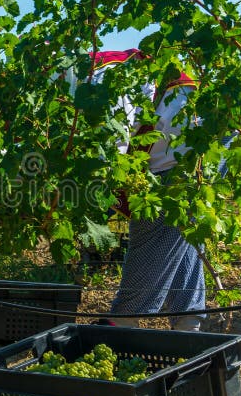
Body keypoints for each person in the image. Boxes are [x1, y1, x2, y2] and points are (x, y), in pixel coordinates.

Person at [72, 50, 209, 331]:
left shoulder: (100, 78)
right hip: (187, 150)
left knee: (150, 237)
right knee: (181, 237)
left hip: (182, 156)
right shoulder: (105, 68)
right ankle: (188, 325)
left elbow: (115, 135)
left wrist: (97, 183)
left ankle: (123, 321)